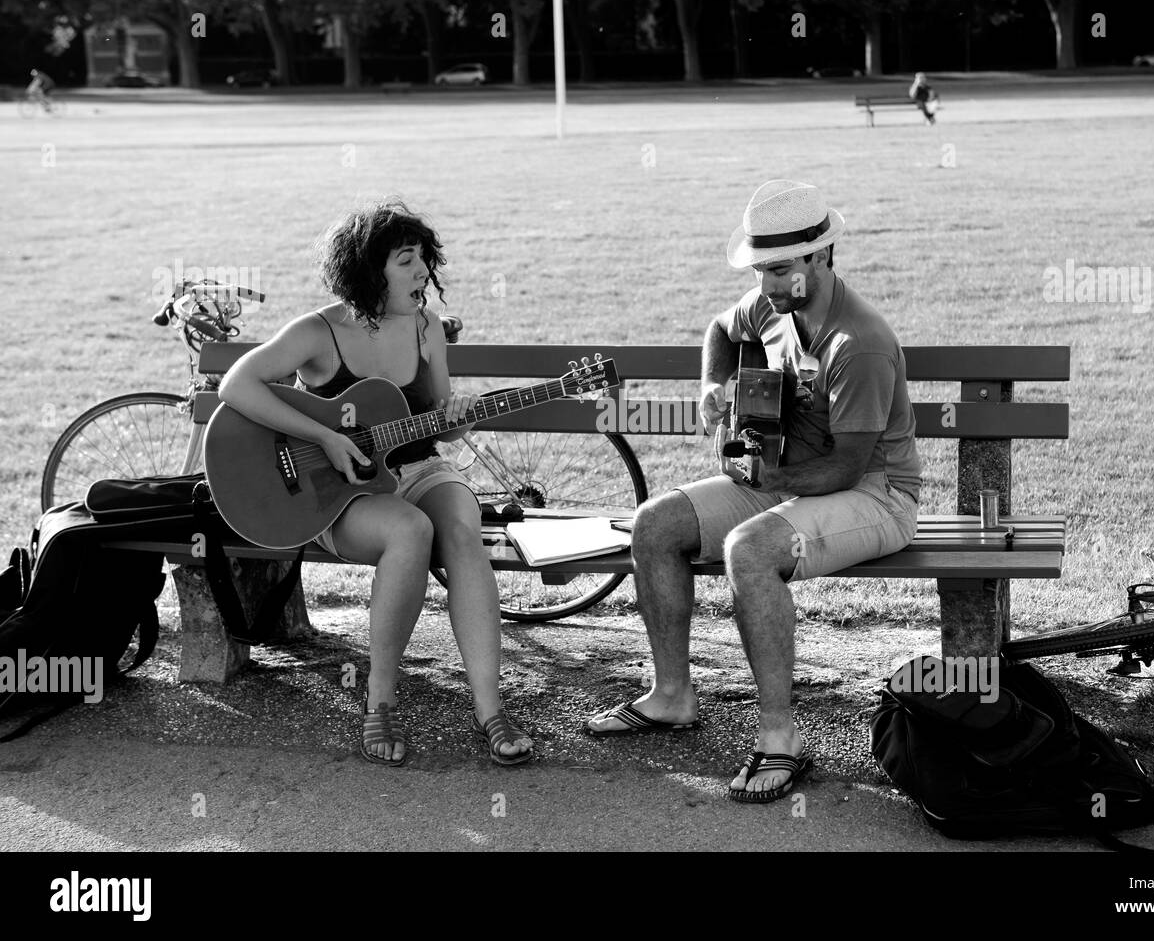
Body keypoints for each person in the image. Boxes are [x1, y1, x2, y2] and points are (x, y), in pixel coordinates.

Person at [587, 180, 922, 803]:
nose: (767, 285)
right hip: (789, 478)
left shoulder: (860, 344)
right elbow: (721, 327)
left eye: (780, 269)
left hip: (877, 494)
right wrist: (713, 383)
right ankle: (671, 696)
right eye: (761, 269)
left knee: (749, 549)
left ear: (821, 257)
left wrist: (765, 480)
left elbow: (846, 469)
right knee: (654, 524)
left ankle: (779, 739)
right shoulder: (773, 305)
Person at [217, 198, 533, 768]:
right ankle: (379, 700)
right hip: (340, 493)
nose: (421, 273)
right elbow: (237, 385)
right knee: (410, 530)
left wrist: (457, 418)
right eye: (406, 260)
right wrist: (328, 437)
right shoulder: (319, 331)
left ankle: (491, 708)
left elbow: (439, 415)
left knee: (461, 532)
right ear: (368, 270)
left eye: (423, 260)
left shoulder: (426, 327)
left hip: (420, 468)